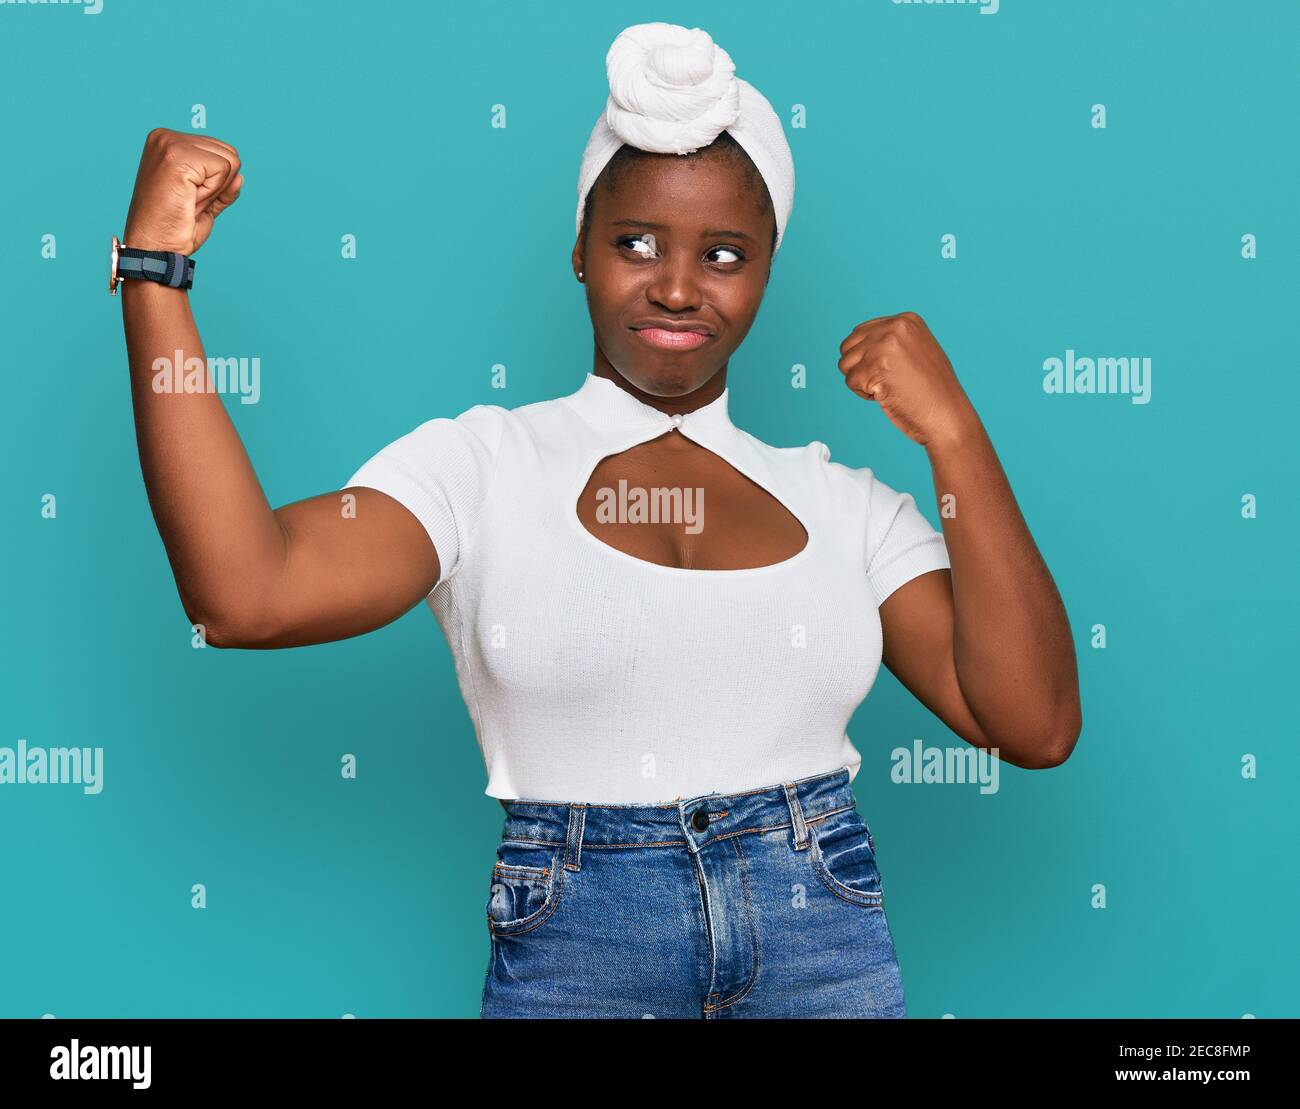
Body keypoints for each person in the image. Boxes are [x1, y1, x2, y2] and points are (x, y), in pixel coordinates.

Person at [117, 22, 1081, 1019]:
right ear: (578, 250)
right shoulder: (480, 464)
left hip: (821, 937)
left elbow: (1033, 722)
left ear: (763, 274)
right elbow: (244, 593)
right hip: (581, 955)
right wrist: (153, 273)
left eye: (723, 253)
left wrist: (954, 434)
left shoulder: (841, 500)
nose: (674, 285)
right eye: (634, 243)